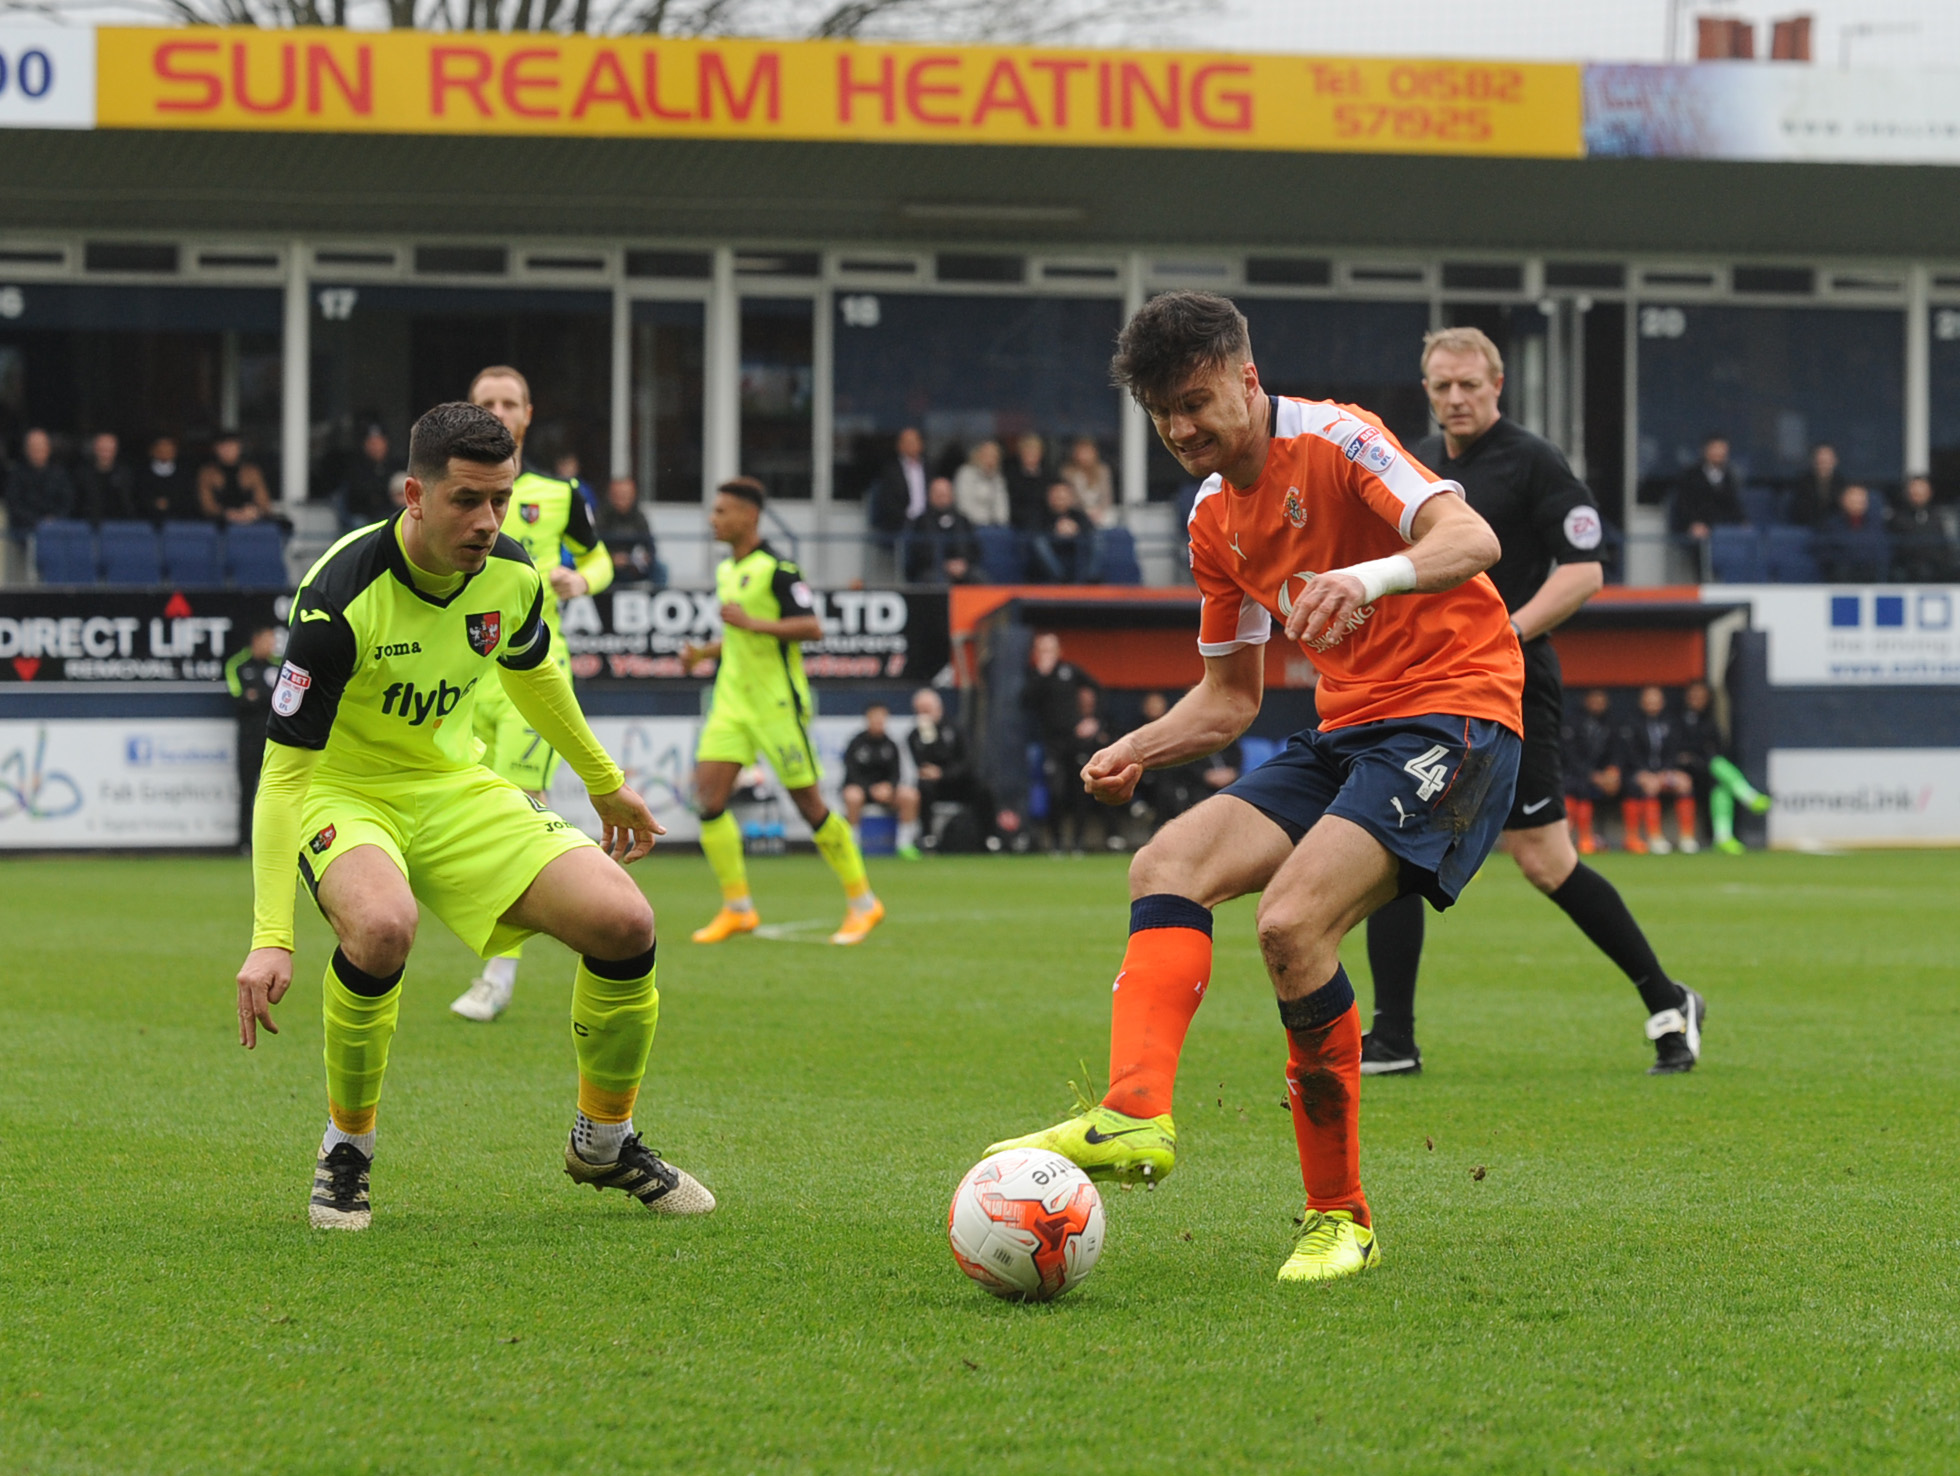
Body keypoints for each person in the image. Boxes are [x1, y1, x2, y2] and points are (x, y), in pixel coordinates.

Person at [987, 290, 1524, 1285]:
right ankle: (1135, 1111)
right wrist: (1140, 748)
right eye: (1162, 415)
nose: (1182, 429)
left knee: (1289, 925)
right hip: (1348, 729)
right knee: (1167, 861)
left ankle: (1340, 1218)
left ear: (1245, 377)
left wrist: (1367, 579)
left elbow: (1471, 542)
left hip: (1457, 716)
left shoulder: (1336, 438)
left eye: (1196, 402)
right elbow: (1230, 700)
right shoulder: (1208, 518)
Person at [232, 400, 710, 1231]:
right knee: (382, 928)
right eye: (467, 501)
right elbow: (282, 778)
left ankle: (604, 1140)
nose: (489, 521)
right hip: (343, 793)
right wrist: (272, 934)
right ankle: (348, 1149)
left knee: (626, 920)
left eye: (501, 498)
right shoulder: (337, 597)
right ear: (414, 494)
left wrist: (602, 780)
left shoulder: (512, 573)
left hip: (455, 787)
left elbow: (532, 670)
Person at [1362, 325, 1705, 1079]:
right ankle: (1392, 1040)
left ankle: (1669, 1000)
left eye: (1469, 385)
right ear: (1427, 388)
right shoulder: (1415, 465)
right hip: (1428, 681)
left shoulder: (1533, 461)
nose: (1455, 398)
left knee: (1546, 862)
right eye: (1442, 386)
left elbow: (1584, 571)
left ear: (1497, 384)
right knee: (1390, 837)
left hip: (1511, 681)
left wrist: (1507, 632)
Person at [450, 365, 615, 1023]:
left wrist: (586, 581)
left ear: (527, 413)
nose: (498, 409)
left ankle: (497, 975)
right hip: (462, 670)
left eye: (508, 401)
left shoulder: (558, 492)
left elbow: (598, 557)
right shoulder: (451, 488)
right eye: (485, 401)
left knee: (518, 810)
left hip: (533, 665)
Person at [682, 477, 885, 947]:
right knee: (708, 799)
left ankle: (863, 901)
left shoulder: (779, 570)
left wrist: (754, 622)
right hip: (732, 702)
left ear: (749, 517)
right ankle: (738, 908)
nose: (713, 520)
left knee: (810, 806)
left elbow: (813, 627)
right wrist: (704, 654)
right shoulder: (727, 571)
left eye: (721, 512)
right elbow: (739, 640)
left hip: (776, 705)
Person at [1675, 680, 1772, 855]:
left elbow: (1718, 749)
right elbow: (1680, 751)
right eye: (1693, 696)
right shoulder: (1677, 720)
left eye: (1701, 696)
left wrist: (1702, 759)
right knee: (1716, 764)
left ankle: (1722, 838)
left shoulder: (1710, 722)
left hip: (1706, 772)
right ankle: (1749, 797)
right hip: (1683, 772)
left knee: (1721, 784)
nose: (1697, 700)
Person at [1020, 632, 1098, 831]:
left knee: (1081, 789)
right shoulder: (1034, 675)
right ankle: (1056, 842)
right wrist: (1043, 674)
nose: (1047, 654)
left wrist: (1092, 720)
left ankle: (1079, 842)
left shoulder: (1069, 670)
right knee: (1056, 790)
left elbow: (1097, 688)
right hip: (1051, 742)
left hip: (1075, 739)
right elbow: (1025, 701)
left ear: (1059, 651)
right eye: (1042, 650)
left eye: (1050, 649)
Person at [1620, 685, 1695, 853]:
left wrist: (1667, 770)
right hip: (1638, 772)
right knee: (1650, 785)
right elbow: (1630, 753)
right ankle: (1654, 837)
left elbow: (1674, 750)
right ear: (1642, 702)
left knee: (1684, 783)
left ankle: (1686, 837)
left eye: (1656, 700)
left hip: (1664, 771)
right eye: (1648, 700)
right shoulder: (1632, 723)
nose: (1652, 704)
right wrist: (1645, 772)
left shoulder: (1670, 722)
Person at [840, 701, 921, 858]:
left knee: (910, 796)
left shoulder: (891, 744)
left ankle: (905, 844)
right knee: (852, 795)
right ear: (867, 718)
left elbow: (896, 774)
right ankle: (853, 844)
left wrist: (889, 787)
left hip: (886, 792)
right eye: (874, 717)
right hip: (862, 790)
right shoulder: (856, 743)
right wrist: (869, 788)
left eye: (882, 717)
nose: (878, 721)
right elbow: (851, 773)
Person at [225, 623, 280, 850]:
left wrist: (258, 695)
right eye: (268, 640)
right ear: (256, 640)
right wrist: (265, 697)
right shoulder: (238, 664)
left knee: (277, 793)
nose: (272, 645)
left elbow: (286, 700)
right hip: (248, 739)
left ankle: (275, 842)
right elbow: (239, 699)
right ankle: (245, 843)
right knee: (248, 791)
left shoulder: (280, 664)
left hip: (275, 740)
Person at [907, 686, 986, 825]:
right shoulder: (914, 736)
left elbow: (967, 761)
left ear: (938, 708)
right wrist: (928, 735)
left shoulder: (956, 729)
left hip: (957, 780)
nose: (923, 714)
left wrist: (943, 773)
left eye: (927, 710)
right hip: (934, 786)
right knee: (924, 787)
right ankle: (927, 836)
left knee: (983, 788)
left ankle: (988, 836)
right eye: (919, 711)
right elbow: (922, 764)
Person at [1561, 687, 1622, 855]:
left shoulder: (1611, 723)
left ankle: (1590, 837)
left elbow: (1616, 752)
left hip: (1603, 777)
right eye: (1594, 700)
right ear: (1585, 701)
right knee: (1577, 787)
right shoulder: (1572, 722)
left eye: (1601, 701)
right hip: (1574, 774)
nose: (1597, 704)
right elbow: (1570, 756)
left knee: (1630, 786)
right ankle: (1576, 837)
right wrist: (1592, 775)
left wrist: (1612, 772)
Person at [4, 429, 73, 556]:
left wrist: (53, 520)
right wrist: (36, 521)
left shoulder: (59, 474)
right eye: (33, 447)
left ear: (48, 448)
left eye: (41, 447)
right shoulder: (17, 474)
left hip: (56, 534)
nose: (37, 451)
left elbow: (67, 502)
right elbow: (14, 503)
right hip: (23, 535)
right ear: (26, 450)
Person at [902, 476, 981, 583]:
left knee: (979, 577)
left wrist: (963, 563)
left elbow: (975, 549)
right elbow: (918, 554)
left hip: (962, 568)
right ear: (929, 496)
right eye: (938, 494)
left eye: (945, 494)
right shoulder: (920, 522)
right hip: (932, 569)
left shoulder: (962, 520)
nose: (942, 498)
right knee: (936, 581)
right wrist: (944, 565)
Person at [1671, 434, 1744, 539]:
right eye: (1716, 448)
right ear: (1705, 450)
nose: (1720, 453)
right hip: (1698, 528)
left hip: (1724, 530)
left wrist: (1742, 522)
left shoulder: (1729, 476)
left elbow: (1734, 505)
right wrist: (1693, 524)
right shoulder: (1690, 475)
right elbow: (1683, 505)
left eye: (1723, 449)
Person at [1813, 484, 1890, 582]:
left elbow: (1883, 550)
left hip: (1871, 571)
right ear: (1843, 501)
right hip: (1843, 572)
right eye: (1853, 500)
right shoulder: (1830, 525)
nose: (1857, 504)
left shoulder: (1876, 524)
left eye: (1860, 501)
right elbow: (1823, 551)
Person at [1889, 474, 1958, 582]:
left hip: (1936, 570)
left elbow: (1946, 547)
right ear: (1908, 493)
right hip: (1907, 570)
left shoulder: (1939, 517)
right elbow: (1896, 548)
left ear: (1929, 492)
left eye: (1921, 491)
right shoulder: (1897, 518)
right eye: (1914, 492)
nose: (1918, 494)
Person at [198, 431, 275, 526]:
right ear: (216, 449)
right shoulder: (207, 473)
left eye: (231, 446)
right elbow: (207, 505)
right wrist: (227, 514)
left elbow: (264, 503)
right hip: (218, 526)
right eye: (223, 446)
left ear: (240, 448)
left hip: (251, 525)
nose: (227, 450)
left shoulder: (252, 471)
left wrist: (255, 511)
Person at [867, 426, 929, 544]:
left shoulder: (929, 468)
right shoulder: (890, 471)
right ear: (899, 446)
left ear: (921, 445)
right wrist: (908, 518)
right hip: (901, 522)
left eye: (914, 441)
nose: (912, 445)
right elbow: (888, 502)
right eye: (907, 442)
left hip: (927, 522)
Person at [1030, 480, 1099, 583]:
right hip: (1051, 554)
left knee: (1097, 538)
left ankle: (1090, 578)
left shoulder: (1078, 514)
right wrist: (1055, 529)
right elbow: (1033, 530)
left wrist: (1075, 528)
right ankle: (1060, 578)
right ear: (1049, 498)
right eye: (1057, 497)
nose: (1060, 500)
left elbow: (1089, 529)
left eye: (1063, 497)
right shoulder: (1040, 514)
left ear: (1070, 498)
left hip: (1075, 551)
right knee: (1038, 542)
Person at [597, 475, 660, 585]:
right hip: (608, 563)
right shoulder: (601, 516)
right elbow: (592, 545)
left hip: (633, 564)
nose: (622, 499)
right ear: (611, 496)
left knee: (660, 568)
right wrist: (611, 558)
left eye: (626, 495)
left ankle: (655, 598)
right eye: (618, 495)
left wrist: (645, 557)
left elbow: (650, 545)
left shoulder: (639, 517)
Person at [337, 425, 399, 531]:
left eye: (378, 442)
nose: (375, 447)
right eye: (371, 443)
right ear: (365, 445)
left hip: (389, 513)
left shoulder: (395, 465)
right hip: (363, 515)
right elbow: (356, 495)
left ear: (386, 443)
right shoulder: (356, 467)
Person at [74, 432, 138, 524]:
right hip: (87, 525)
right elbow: (77, 501)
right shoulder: (82, 474)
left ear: (115, 450)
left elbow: (130, 503)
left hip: (121, 526)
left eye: (109, 449)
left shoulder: (126, 474)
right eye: (102, 449)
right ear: (95, 449)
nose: (105, 452)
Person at [137, 434, 199, 524]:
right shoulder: (142, 474)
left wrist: (171, 504)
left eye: (168, 446)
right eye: (160, 446)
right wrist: (153, 504)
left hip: (180, 524)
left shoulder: (185, 474)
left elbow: (190, 501)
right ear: (152, 450)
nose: (164, 450)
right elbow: (137, 499)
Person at [952, 439, 1010, 527]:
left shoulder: (998, 478)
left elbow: (1002, 504)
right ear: (978, 455)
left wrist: (1001, 524)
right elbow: (964, 505)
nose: (990, 460)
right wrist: (980, 523)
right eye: (987, 455)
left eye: (994, 457)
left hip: (993, 526)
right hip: (971, 525)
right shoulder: (965, 474)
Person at [1062, 435, 1116, 527]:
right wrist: (1086, 511)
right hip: (1079, 513)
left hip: (1101, 512)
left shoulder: (1103, 471)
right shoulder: (1068, 473)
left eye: (1087, 452)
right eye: (1081, 452)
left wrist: (1100, 510)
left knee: (1109, 521)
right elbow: (1069, 499)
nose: (1085, 456)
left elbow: (1107, 495)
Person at [1790, 442, 1846, 528]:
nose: (1823, 463)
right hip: (1808, 526)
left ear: (1834, 461)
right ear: (1814, 461)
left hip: (1836, 527)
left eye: (1827, 460)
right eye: (1821, 459)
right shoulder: (1803, 483)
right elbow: (1800, 509)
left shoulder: (1842, 483)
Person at [1005, 432, 1051, 531]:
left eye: (1034, 451)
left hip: (1046, 520)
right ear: (1020, 453)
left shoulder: (1049, 475)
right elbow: (1011, 503)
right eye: (1027, 451)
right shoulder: (1011, 475)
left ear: (1041, 453)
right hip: (1020, 521)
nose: (1031, 455)